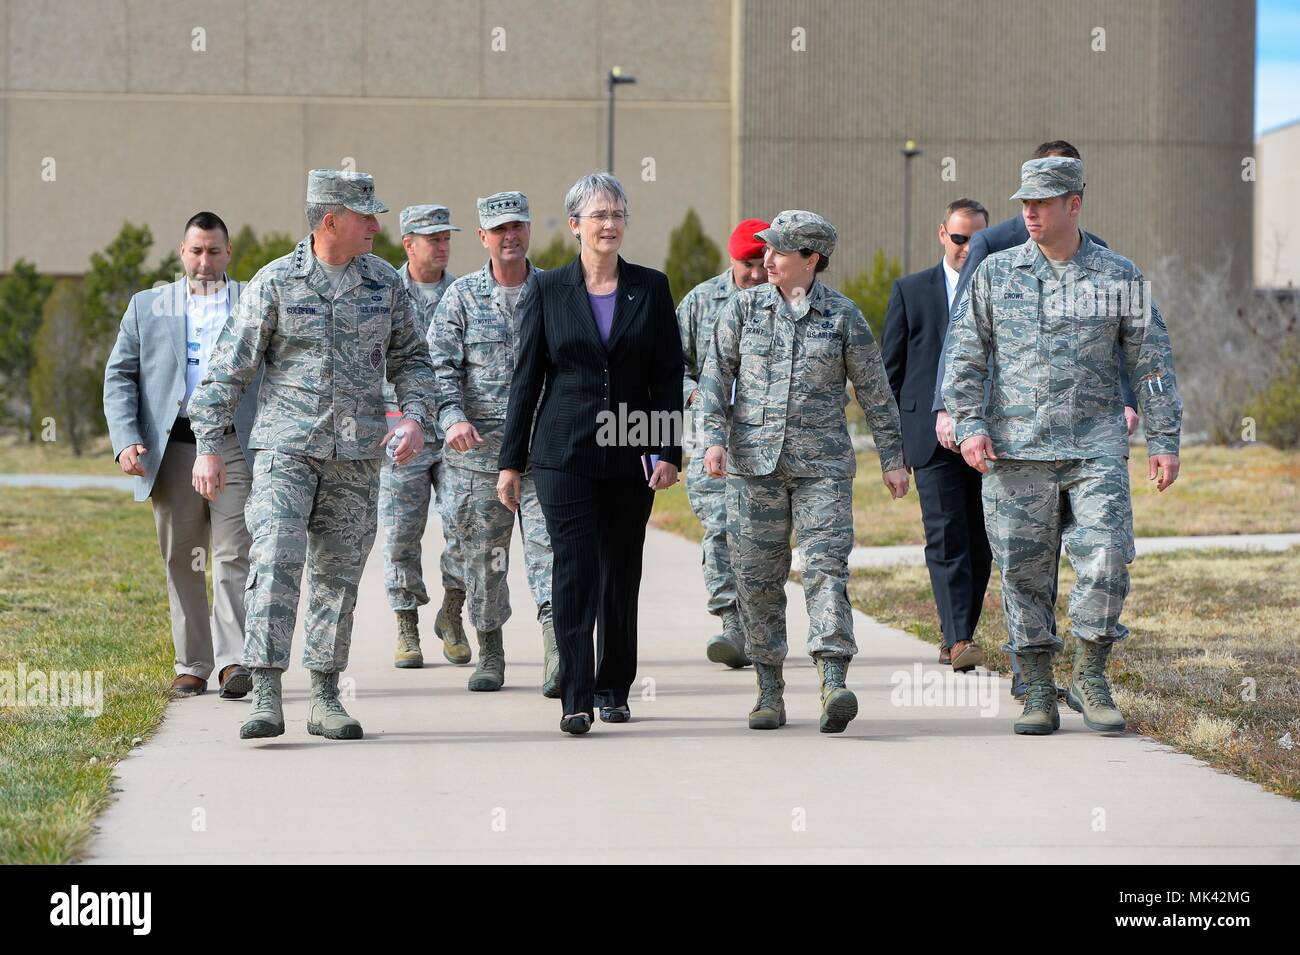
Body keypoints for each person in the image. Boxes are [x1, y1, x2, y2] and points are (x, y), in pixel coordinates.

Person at [189, 169, 437, 741]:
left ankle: (325, 694)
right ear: (331, 220)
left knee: (338, 575)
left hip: (355, 456)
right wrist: (207, 447)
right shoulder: (276, 283)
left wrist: (418, 419)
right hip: (285, 451)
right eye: (366, 215)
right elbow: (227, 373)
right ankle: (268, 692)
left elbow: (413, 362)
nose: (377, 224)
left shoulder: (384, 285)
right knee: (274, 562)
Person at [942, 156, 1182, 736]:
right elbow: (964, 357)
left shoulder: (1118, 275)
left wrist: (1164, 438)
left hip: (1094, 445)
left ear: (1074, 203)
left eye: (1042, 202)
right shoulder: (996, 274)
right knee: (1023, 573)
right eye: (1024, 202)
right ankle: (1039, 690)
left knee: (1106, 558)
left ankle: (1091, 673)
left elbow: (1150, 362)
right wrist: (970, 425)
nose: (1029, 212)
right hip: (1014, 450)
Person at [698, 211, 909, 733]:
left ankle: (833, 679)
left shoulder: (843, 317)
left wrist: (893, 458)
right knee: (757, 579)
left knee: (825, 570)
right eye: (766, 250)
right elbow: (713, 379)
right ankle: (769, 691)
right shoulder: (742, 310)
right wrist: (713, 441)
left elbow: (875, 392)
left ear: (811, 260)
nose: (766, 260)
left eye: (779, 252)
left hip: (823, 471)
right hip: (754, 470)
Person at [497, 172, 683, 735]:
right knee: (574, 570)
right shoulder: (549, 289)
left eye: (618, 214)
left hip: (630, 452)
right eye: (598, 215)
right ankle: (575, 695)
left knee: (620, 571)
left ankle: (613, 685)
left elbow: (666, 376)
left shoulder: (650, 287)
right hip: (564, 454)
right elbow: (526, 378)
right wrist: (511, 459)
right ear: (575, 225)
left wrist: (667, 448)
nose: (609, 224)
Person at [103, 211, 261, 701]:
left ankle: (234, 661)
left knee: (235, 552)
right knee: (183, 558)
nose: (205, 262)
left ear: (228, 254)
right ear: (181, 252)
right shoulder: (149, 306)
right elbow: (119, 376)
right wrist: (127, 438)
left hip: (236, 443)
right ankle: (192, 662)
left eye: (214, 251)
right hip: (173, 447)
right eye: (196, 251)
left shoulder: (253, 301)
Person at [429, 191, 556, 694]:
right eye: (499, 229)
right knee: (485, 559)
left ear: (528, 231)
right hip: (478, 458)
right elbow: (438, 366)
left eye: (518, 226)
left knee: (553, 556)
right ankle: (491, 653)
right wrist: (453, 416)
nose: (511, 236)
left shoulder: (555, 291)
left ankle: (557, 652)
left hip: (544, 455)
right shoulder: (459, 298)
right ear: (482, 237)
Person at [882, 199, 992, 674]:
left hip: (988, 434)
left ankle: (961, 629)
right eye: (960, 237)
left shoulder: (999, 287)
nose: (969, 248)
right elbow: (890, 372)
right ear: (942, 235)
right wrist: (894, 446)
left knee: (984, 538)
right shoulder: (911, 291)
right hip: (929, 438)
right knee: (946, 536)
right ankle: (958, 637)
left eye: (977, 239)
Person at [676, 218, 769, 668]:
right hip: (712, 439)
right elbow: (672, 365)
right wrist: (696, 394)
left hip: (771, 441)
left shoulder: (790, 299)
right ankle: (732, 622)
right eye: (746, 264)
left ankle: (761, 624)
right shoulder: (699, 302)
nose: (755, 273)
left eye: (761, 263)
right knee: (719, 531)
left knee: (763, 537)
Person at [381, 203, 466, 669]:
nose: (442, 245)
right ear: (408, 243)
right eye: (432, 238)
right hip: (402, 433)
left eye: (446, 237)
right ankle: (406, 621)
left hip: (455, 433)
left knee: (465, 527)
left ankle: (452, 612)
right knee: (400, 532)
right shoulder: (384, 293)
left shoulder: (466, 293)